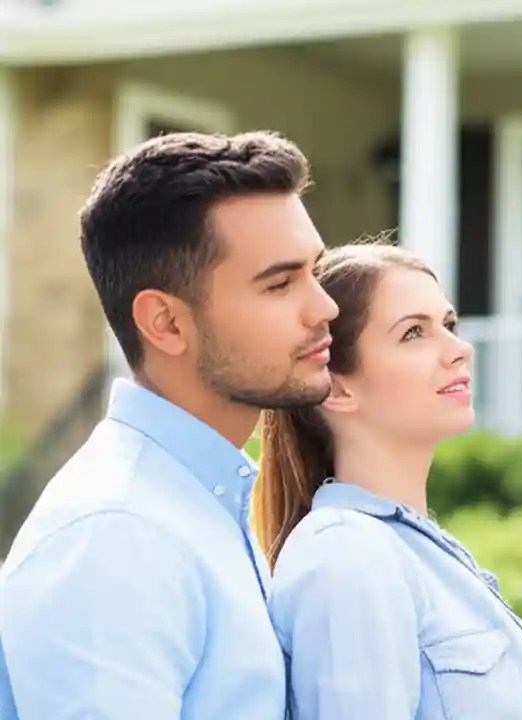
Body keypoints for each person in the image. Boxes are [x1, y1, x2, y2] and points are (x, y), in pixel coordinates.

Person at [0, 131, 337, 718]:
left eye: (316, 272)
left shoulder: (196, 505)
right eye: (280, 284)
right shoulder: (116, 535)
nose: (325, 307)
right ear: (166, 323)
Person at [254, 242, 522, 719]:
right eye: (414, 333)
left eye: (448, 325)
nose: (459, 349)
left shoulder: (422, 554)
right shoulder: (345, 552)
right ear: (336, 386)